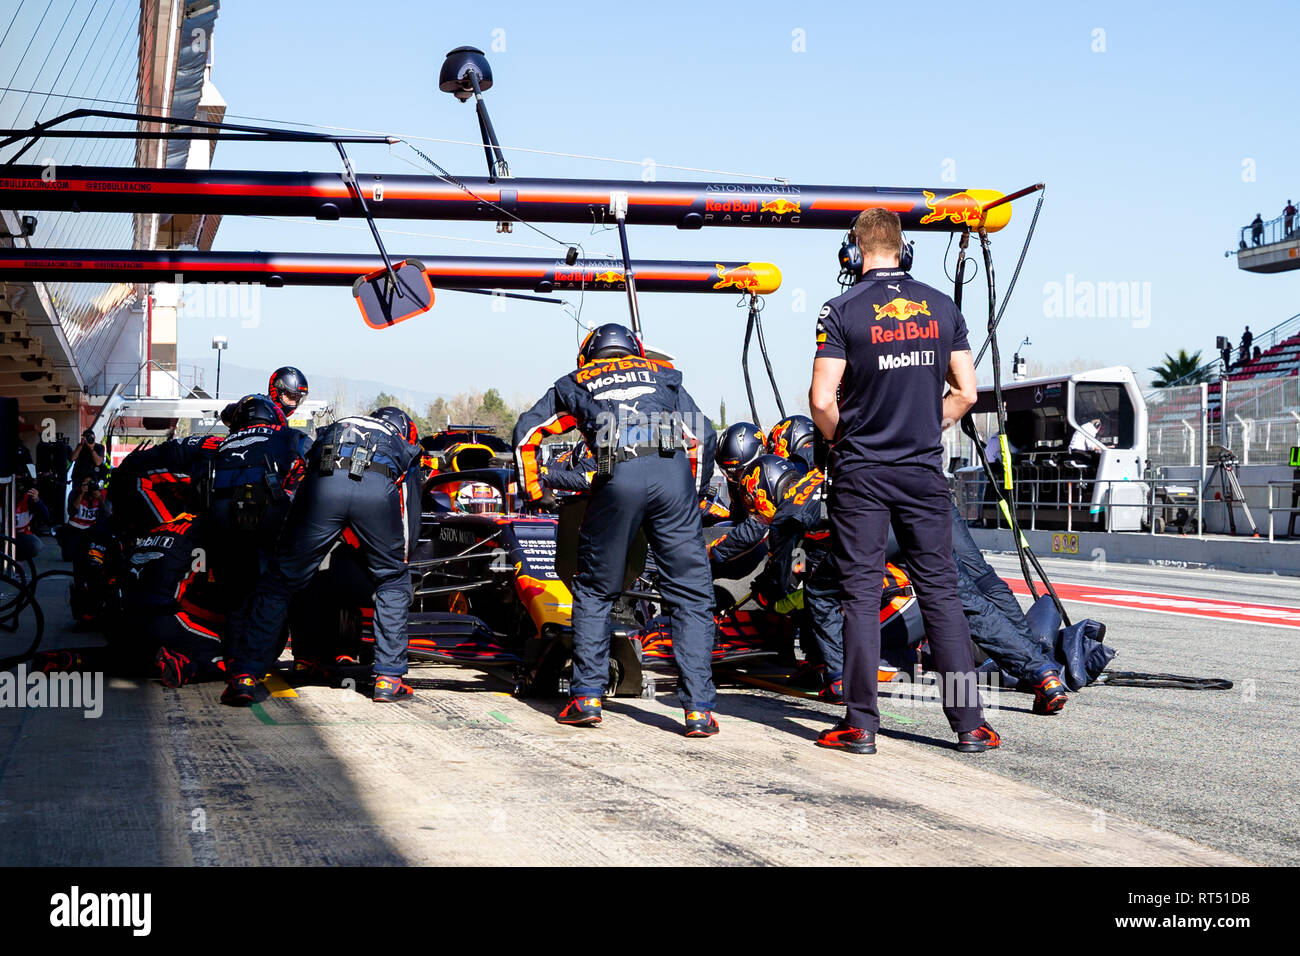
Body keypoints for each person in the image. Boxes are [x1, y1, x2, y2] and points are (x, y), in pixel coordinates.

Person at [809, 206, 995, 754]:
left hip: (862, 471)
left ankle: (862, 726)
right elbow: (966, 393)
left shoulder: (839, 309)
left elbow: (822, 400)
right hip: (923, 471)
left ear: (854, 251)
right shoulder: (942, 306)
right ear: (903, 249)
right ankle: (969, 726)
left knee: (861, 595)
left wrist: (850, 437)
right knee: (942, 592)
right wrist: (918, 423)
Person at [513, 323, 720, 737]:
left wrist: (535, 490)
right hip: (673, 474)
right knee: (691, 596)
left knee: (593, 590)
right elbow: (704, 435)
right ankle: (698, 710)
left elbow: (526, 435)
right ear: (634, 350)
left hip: (617, 476)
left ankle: (587, 698)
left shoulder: (574, 382)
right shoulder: (663, 375)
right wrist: (691, 499)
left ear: (589, 354)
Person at [223, 406, 422, 706]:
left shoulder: (338, 426)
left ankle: (245, 676)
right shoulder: (403, 443)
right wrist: (398, 562)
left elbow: (302, 472)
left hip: (322, 483)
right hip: (375, 488)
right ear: (406, 430)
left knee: (280, 580)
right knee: (393, 580)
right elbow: (410, 516)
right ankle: (388, 679)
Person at [205, 395, 308, 658]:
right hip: (266, 520)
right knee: (275, 589)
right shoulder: (288, 436)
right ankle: (258, 661)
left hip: (221, 523)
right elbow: (315, 462)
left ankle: (234, 657)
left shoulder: (223, 443)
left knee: (235, 596)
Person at [740, 454, 844, 701]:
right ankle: (820, 663)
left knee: (813, 596)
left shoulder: (786, 513)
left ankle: (839, 678)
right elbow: (802, 561)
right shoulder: (810, 480)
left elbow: (785, 579)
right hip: (898, 525)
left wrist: (767, 594)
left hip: (872, 551)